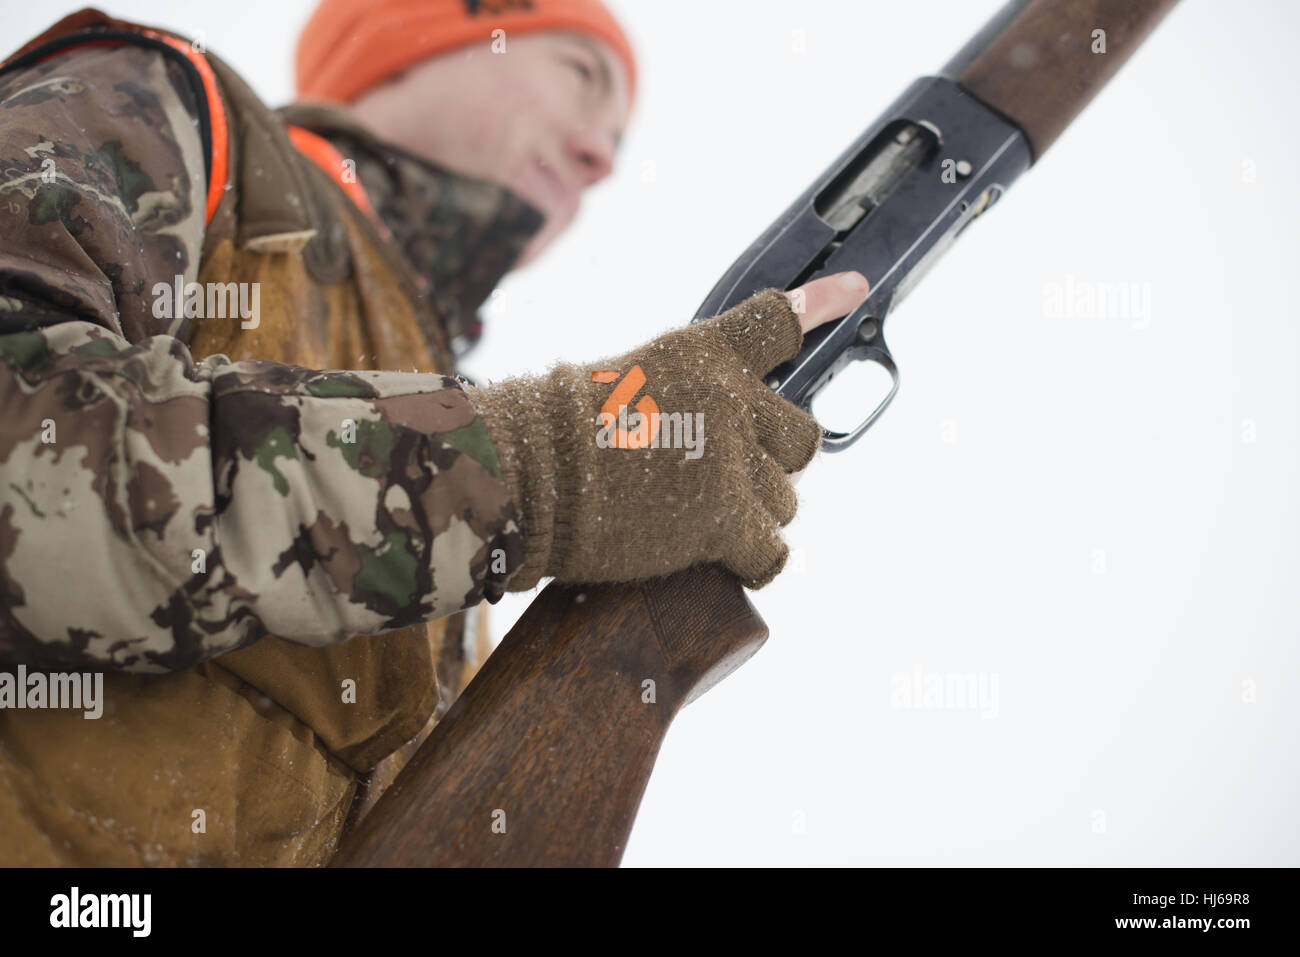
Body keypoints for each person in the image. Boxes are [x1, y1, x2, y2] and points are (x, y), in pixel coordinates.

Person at [0, 0, 869, 865]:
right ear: (412, 43)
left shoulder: (462, 560)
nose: (600, 156)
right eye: (580, 75)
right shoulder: (165, 112)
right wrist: (540, 469)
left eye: (616, 135)